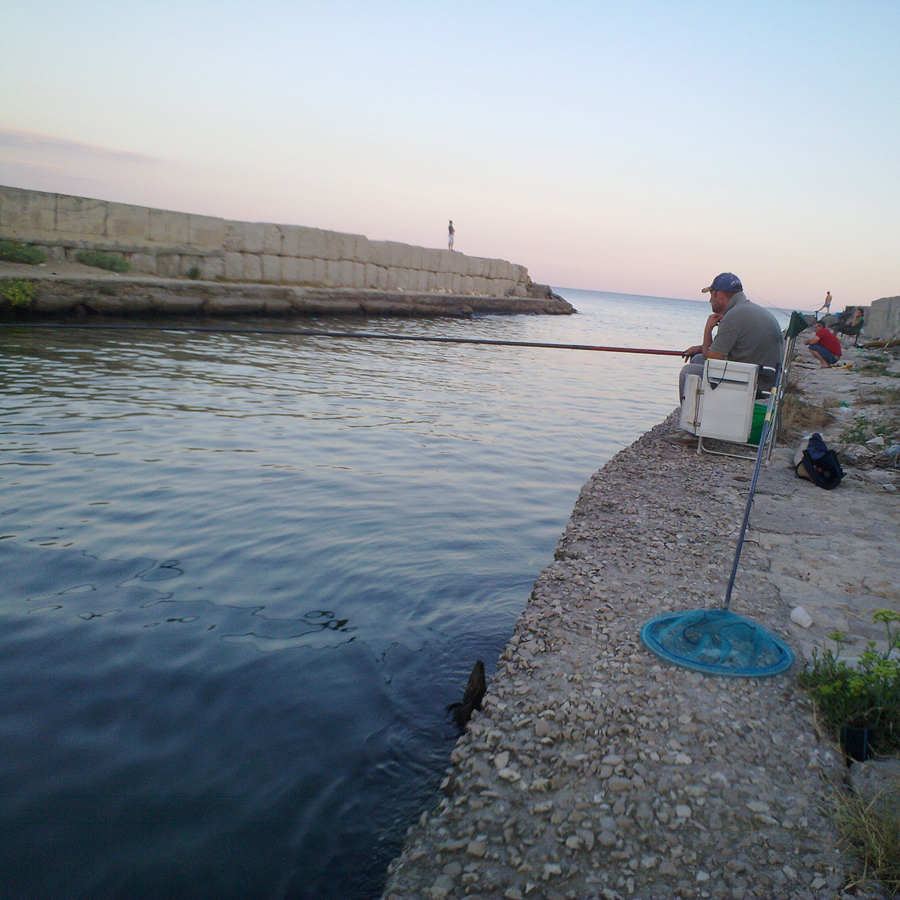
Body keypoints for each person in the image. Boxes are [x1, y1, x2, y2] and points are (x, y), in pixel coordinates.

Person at [669, 272, 785, 445]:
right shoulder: (747, 310)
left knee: (689, 371)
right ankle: (702, 420)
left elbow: (713, 360)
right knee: (698, 358)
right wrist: (700, 349)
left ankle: (692, 432)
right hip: (767, 375)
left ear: (720, 294)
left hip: (754, 381)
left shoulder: (734, 316)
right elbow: (719, 350)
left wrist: (707, 329)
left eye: (711, 295)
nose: (710, 301)